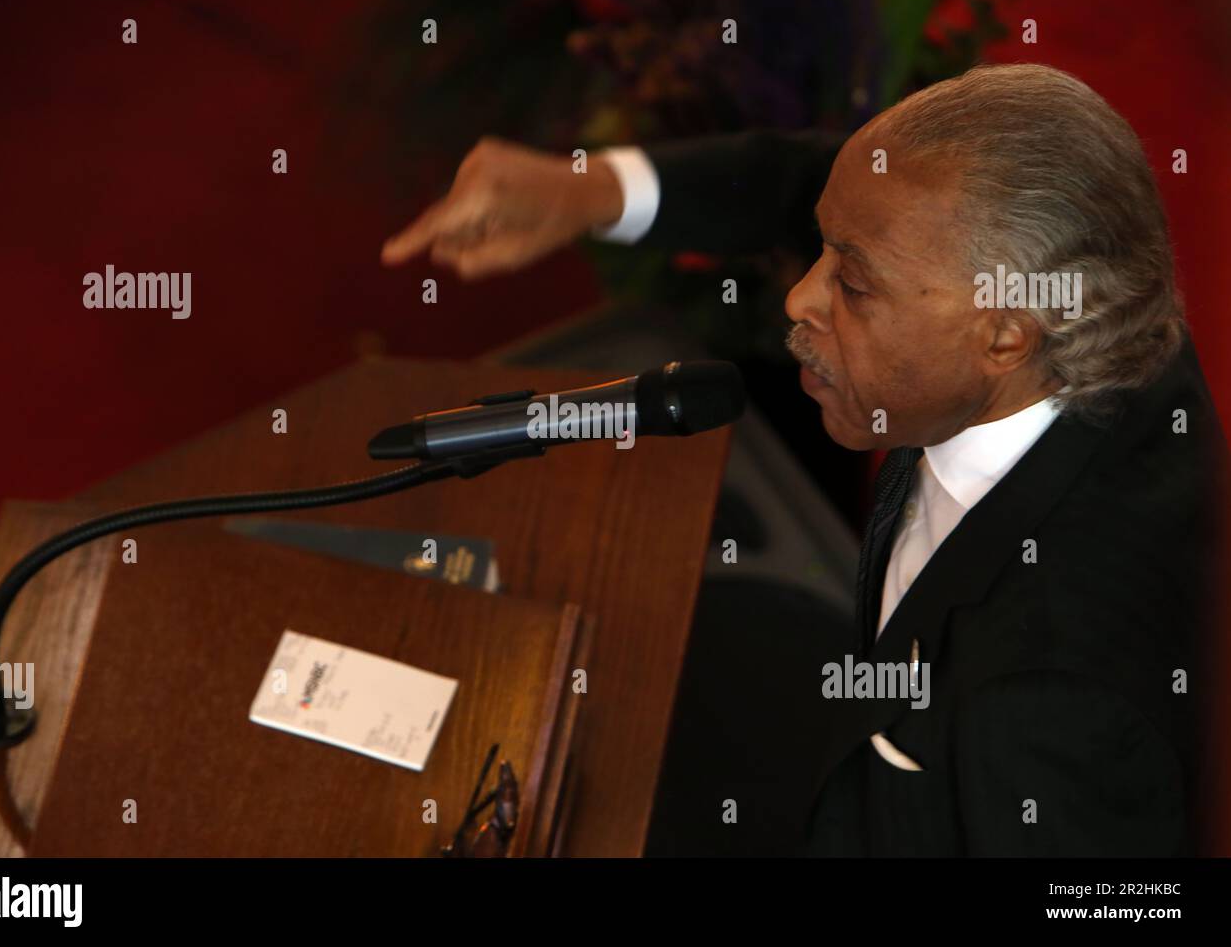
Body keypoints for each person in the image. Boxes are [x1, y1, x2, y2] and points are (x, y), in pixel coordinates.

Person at [382, 63, 1227, 855]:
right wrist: (593, 190)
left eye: (852, 287)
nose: (799, 298)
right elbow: (849, 189)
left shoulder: (1050, 705)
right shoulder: (1095, 299)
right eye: (823, 251)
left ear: (1006, 333)